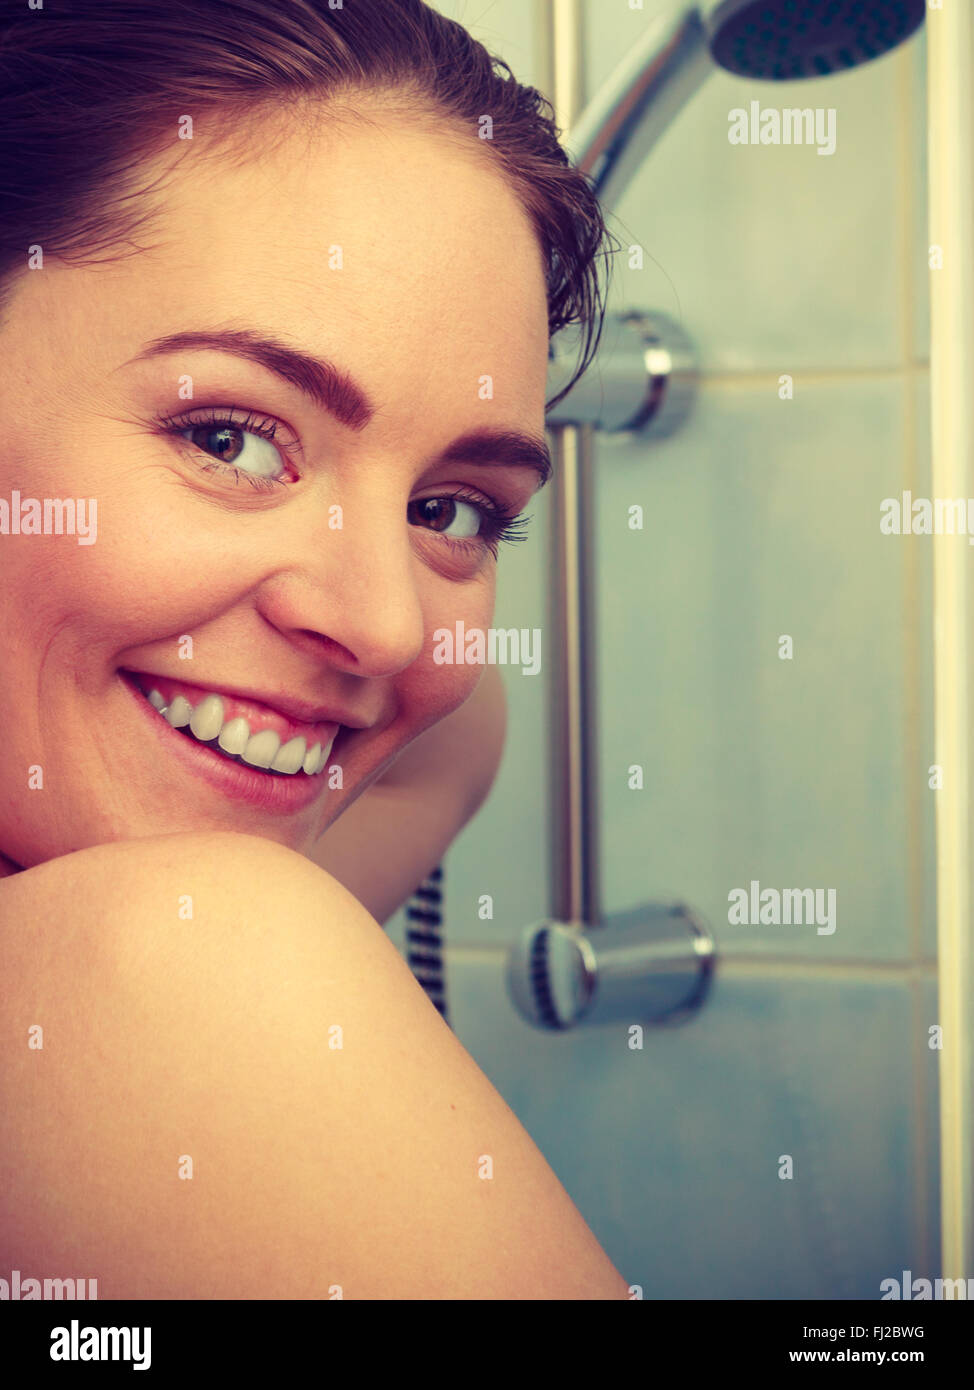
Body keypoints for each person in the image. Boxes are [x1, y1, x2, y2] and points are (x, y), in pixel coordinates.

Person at [0, 0, 628, 1299]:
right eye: (229, 437)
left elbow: (452, 729)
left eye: (452, 510)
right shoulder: (187, 954)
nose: (385, 623)